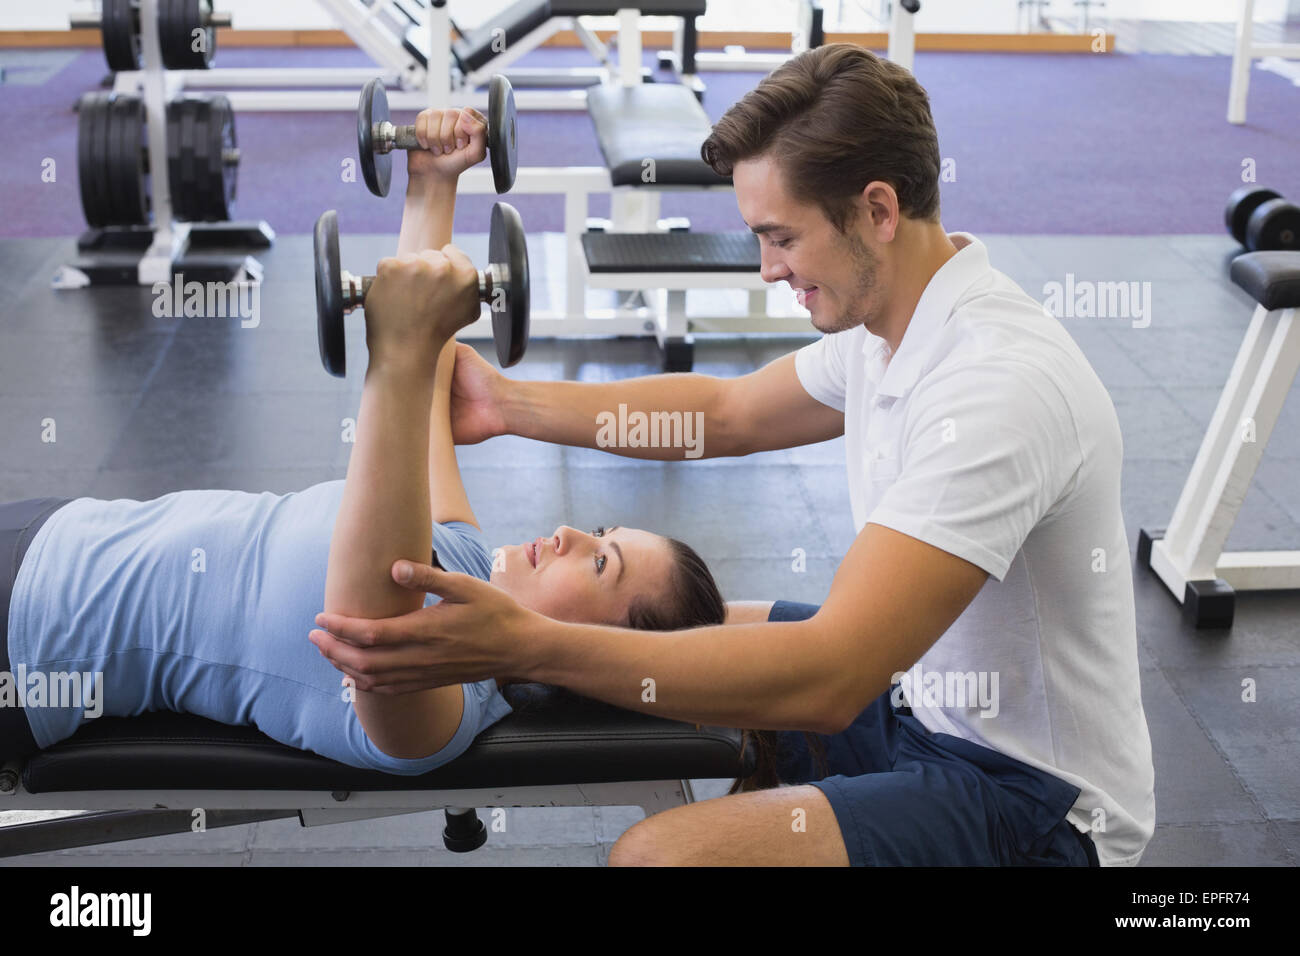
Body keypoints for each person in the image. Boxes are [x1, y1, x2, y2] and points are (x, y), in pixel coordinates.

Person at [309, 43, 1156, 866]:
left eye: (782, 238)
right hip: (920, 705)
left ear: (878, 210)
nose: (767, 269)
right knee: (696, 625)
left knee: (657, 858)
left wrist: (525, 644)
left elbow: (830, 678)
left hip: (1028, 795)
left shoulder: (994, 389)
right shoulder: (892, 318)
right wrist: (509, 405)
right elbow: (727, 414)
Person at [0, 105, 727, 778]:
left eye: (601, 562)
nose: (569, 532)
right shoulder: (461, 548)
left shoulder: (440, 708)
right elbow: (427, 378)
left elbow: (368, 613)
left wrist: (402, 344)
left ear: (594, 655)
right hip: (53, 529)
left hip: (28, 644)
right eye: (599, 530)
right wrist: (434, 180)